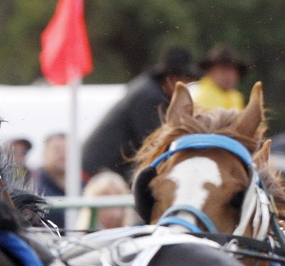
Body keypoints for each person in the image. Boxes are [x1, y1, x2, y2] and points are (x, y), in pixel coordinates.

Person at [82, 46, 201, 181]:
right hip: (99, 173)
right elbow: (151, 142)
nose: (187, 84)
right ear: (172, 78)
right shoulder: (150, 97)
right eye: (186, 79)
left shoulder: (148, 89)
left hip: (103, 168)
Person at [191, 43, 250, 112]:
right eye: (224, 70)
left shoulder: (236, 97)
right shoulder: (197, 95)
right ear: (210, 71)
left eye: (233, 71)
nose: (229, 76)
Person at [32, 132, 67, 229]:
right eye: (57, 149)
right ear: (44, 155)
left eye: (67, 149)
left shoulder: (86, 187)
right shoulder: (33, 190)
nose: (63, 154)